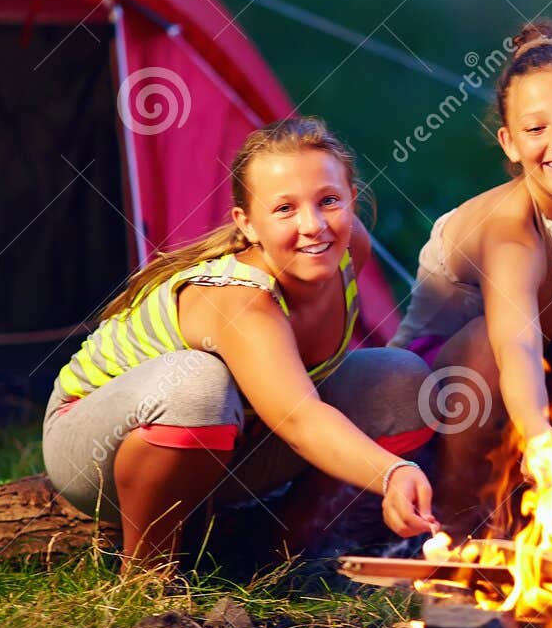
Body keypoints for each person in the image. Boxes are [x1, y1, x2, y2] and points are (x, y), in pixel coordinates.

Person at [43, 116, 438, 568]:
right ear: (246, 224)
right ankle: (148, 575)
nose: (313, 226)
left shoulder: (346, 252)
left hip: (233, 440)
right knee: (198, 383)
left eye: (328, 200)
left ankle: (283, 554)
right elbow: (300, 419)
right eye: (285, 209)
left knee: (401, 379)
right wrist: (393, 472)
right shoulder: (238, 300)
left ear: (352, 200)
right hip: (94, 448)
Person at [390, 21, 552, 538]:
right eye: (536, 129)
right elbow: (517, 347)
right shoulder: (511, 233)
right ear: (509, 143)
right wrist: (539, 437)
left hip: (541, 382)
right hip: (445, 395)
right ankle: (464, 522)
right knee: (488, 339)